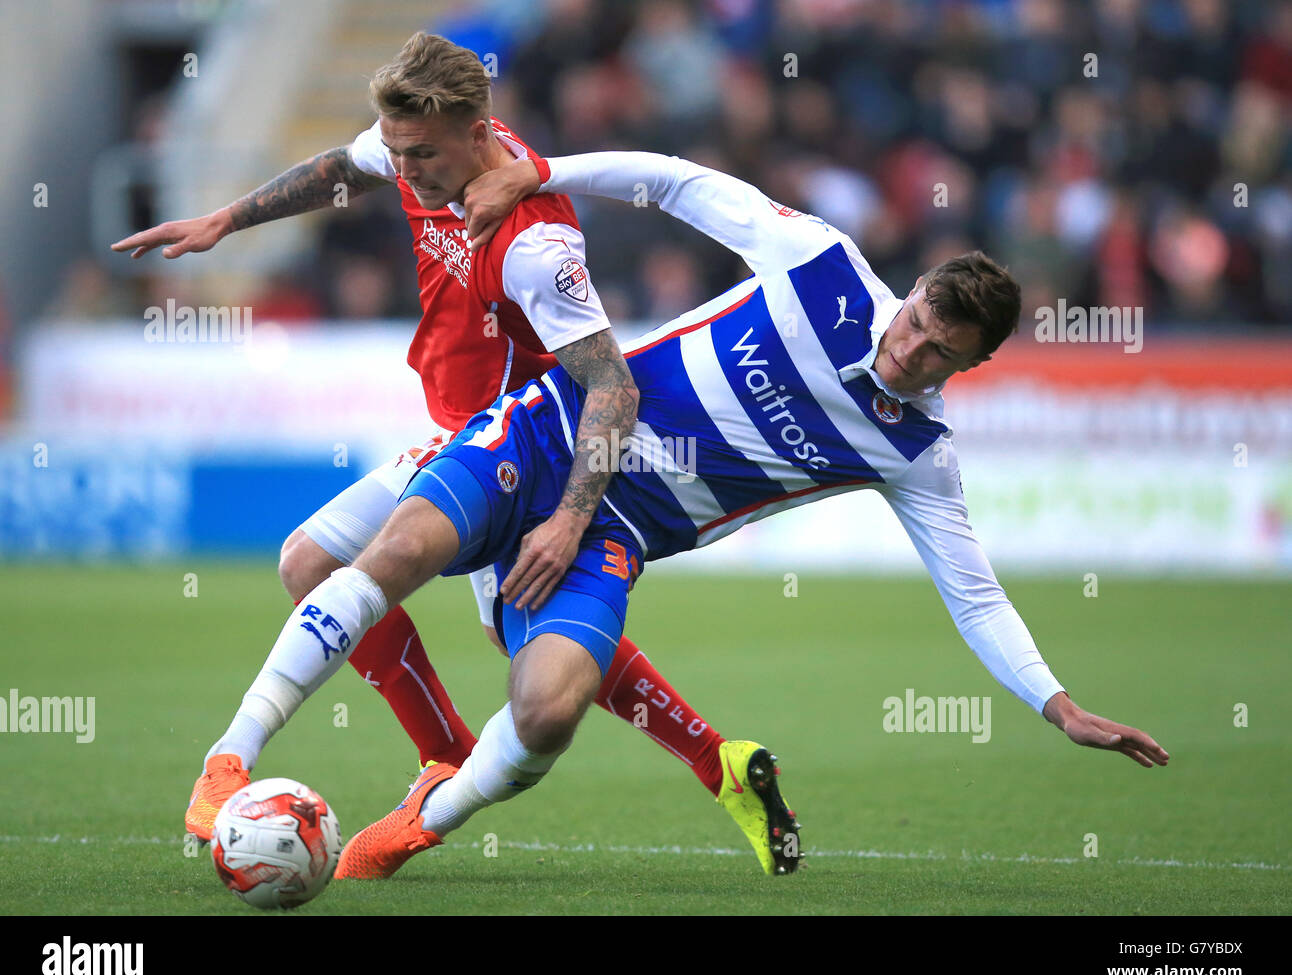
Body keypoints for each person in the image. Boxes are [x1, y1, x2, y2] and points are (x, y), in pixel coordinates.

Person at [251, 148, 1168, 881]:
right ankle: (239, 759)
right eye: (917, 320)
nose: (909, 349)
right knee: (352, 558)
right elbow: (676, 183)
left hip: (613, 532)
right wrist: (547, 173)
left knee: (547, 710)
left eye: (938, 354)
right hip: (550, 428)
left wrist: (1058, 706)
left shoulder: (916, 455)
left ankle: (423, 823)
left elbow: (974, 597)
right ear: (916, 287)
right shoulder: (824, 268)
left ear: (969, 369)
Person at [112, 33, 799, 877]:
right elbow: (341, 167)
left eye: (423, 155)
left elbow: (612, 386)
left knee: (517, 652)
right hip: (455, 430)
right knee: (342, 573)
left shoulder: (538, 244)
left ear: (479, 132)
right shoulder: (415, 146)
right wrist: (228, 219)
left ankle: (402, 761)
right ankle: (697, 762)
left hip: (513, 448)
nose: (407, 169)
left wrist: (568, 513)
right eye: (398, 151)